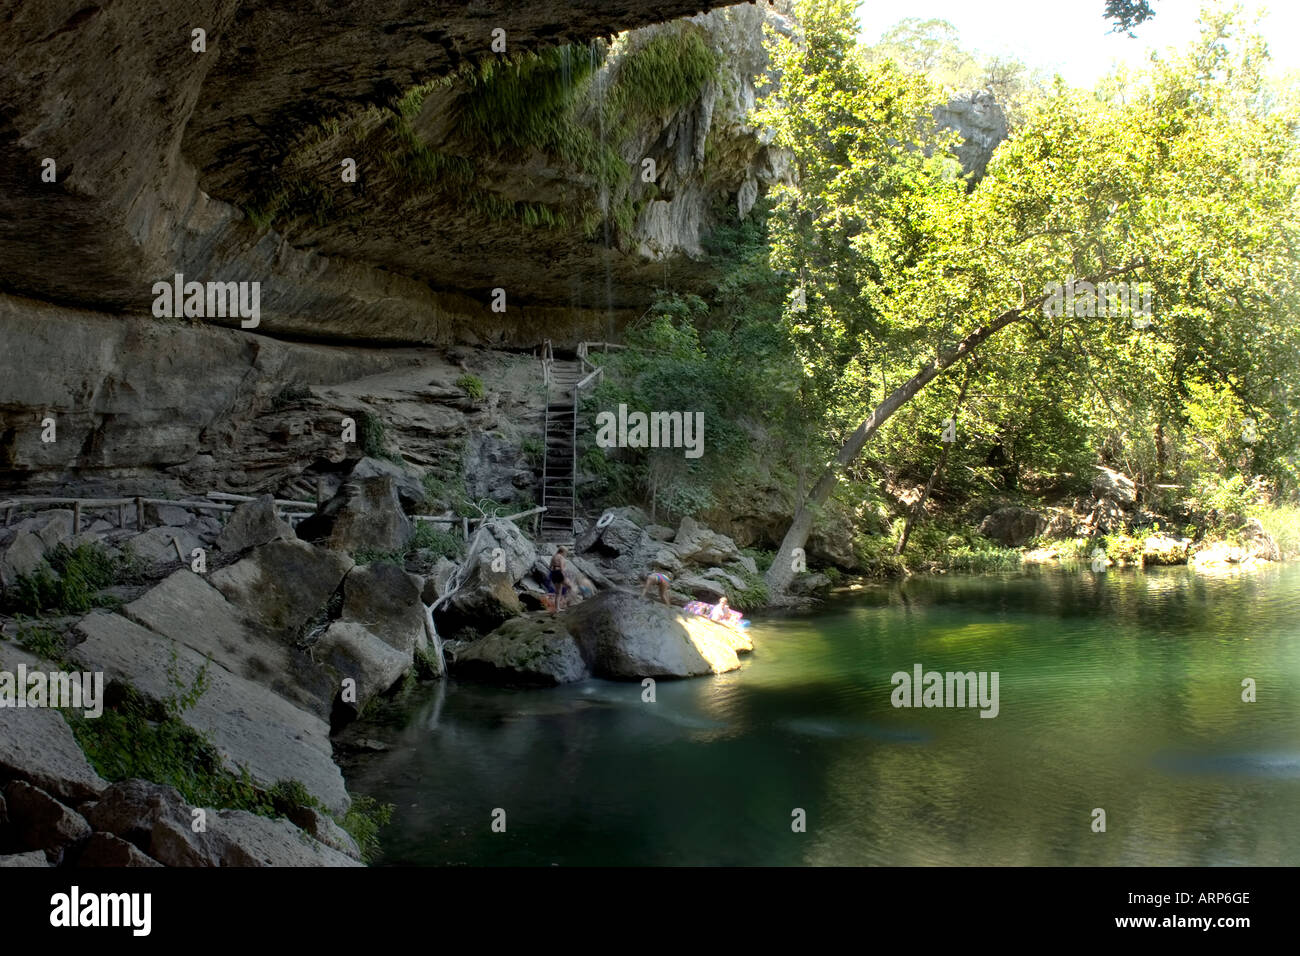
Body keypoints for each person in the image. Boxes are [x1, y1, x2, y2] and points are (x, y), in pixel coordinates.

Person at [549, 547, 569, 614]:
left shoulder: (553, 557)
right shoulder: (561, 557)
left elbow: (550, 567)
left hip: (553, 573)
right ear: (563, 552)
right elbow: (562, 568)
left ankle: (557, 608)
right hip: (559, 573)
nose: (565, 554)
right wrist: (564, 576)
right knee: (570, 587)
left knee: (557, 592)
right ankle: (570, 602)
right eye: (565, 552)